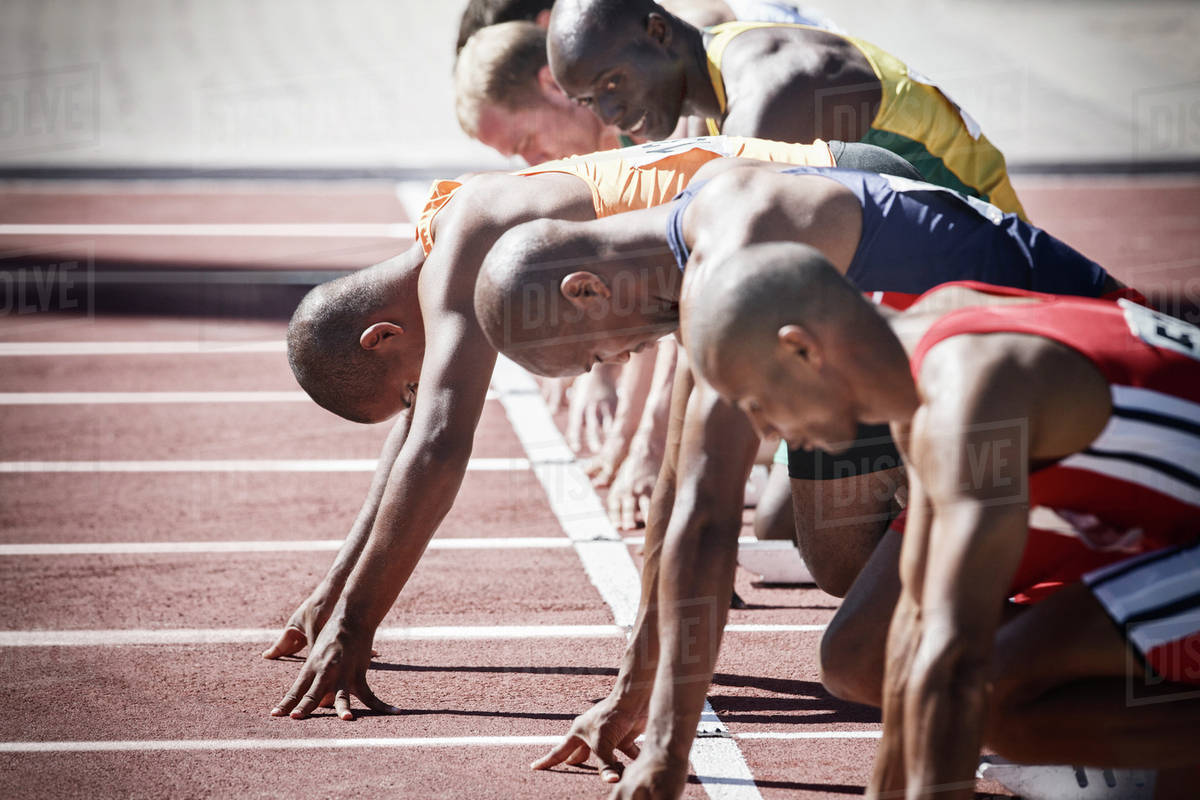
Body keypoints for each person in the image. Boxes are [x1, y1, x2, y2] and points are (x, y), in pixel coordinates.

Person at [472, 162, 1130, 791]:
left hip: (1067, 377)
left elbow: (706, 519)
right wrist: (631, 692)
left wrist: (670, 750)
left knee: (866, 656)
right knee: (845, 568)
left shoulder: (734, 255)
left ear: (584, 290)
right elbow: (681, 486)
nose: (621, 358)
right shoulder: (702, 231)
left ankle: (1121, 717)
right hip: (934, 373)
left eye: (595, 354)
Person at [263, 137, 856, 720]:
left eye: (407, 390)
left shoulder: (467, 246)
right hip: (814, 218)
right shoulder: (449, 222)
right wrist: (338, 589)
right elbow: (421, 434)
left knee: (837, 559)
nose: (416, 401)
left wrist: (355, 623)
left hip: (836, 210)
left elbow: (438, 447)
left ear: (382, 337)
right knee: (806, 529)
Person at [681, 243, 1200, 800]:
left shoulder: (971, 395)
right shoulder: (931, 355)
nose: (764, 429)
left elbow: (955, 658)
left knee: (992, 686)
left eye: (756, 401)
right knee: (890, 658)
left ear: (801, 350)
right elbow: (914, 625)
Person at [546, 0, 1027, 217]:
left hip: (1006, 281)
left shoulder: (775, 90)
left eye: (613, 82)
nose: (608, 114)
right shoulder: (706, 84)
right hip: (930, 276)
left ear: (658, 33)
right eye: (589, 100)